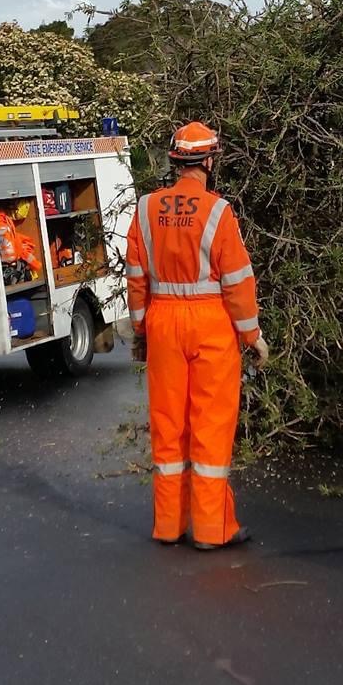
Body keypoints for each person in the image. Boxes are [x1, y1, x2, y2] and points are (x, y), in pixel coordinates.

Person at [125, 121, 268, 550]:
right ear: (209, 161)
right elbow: (238, 281)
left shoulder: (146, 209)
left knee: (168, 426)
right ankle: (211, 530)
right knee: (210, 425)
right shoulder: (218, 211)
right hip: (211, 326)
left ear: (174, 160)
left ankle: (169, 525)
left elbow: (136, 276)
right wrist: (252, 335)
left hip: (162, 324)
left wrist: (139, 329)